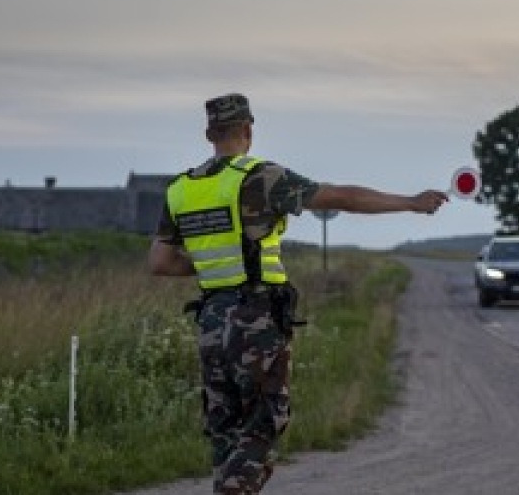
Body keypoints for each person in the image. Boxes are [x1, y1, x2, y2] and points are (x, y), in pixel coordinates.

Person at [147, 93, 448, 494]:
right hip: (255, 320)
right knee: (262, 424)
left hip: (210, 322)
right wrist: (410, 203)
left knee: (226, 430)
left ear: (209, 134)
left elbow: (161, 262)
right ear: (248, 130)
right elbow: (342, 197)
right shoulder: (260, 177)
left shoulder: (181, 189)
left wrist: (209, 262)